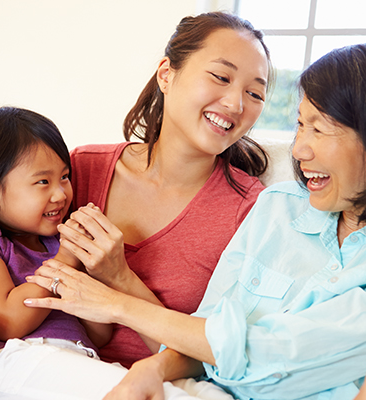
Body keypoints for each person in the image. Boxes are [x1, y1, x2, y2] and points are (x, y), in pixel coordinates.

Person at [25, 42, 366, 400]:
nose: (298, 150)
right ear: (166, 74)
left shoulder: (245, 204)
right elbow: (205, 330)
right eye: (300, 126)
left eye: (255, 93)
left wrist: (116, 295)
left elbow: (267, 351)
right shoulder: (278, 208)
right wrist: (153, 368)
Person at [41, 11, 272, 369]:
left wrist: (119, 278)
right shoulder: (80, 169)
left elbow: (219, 359)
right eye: (221, 77)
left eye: (255, 93)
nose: (236, 104)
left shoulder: (253, 210)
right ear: (167, 74)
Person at [0, 107, 123, 400]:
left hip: (77, 360)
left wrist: (90, 266)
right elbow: (7, 321)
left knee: (194, 391)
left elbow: (100, 335)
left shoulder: (57, 242)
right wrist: (65, 262)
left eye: (64, 177)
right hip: (14, 362)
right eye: (43, 182)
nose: (61, 194)